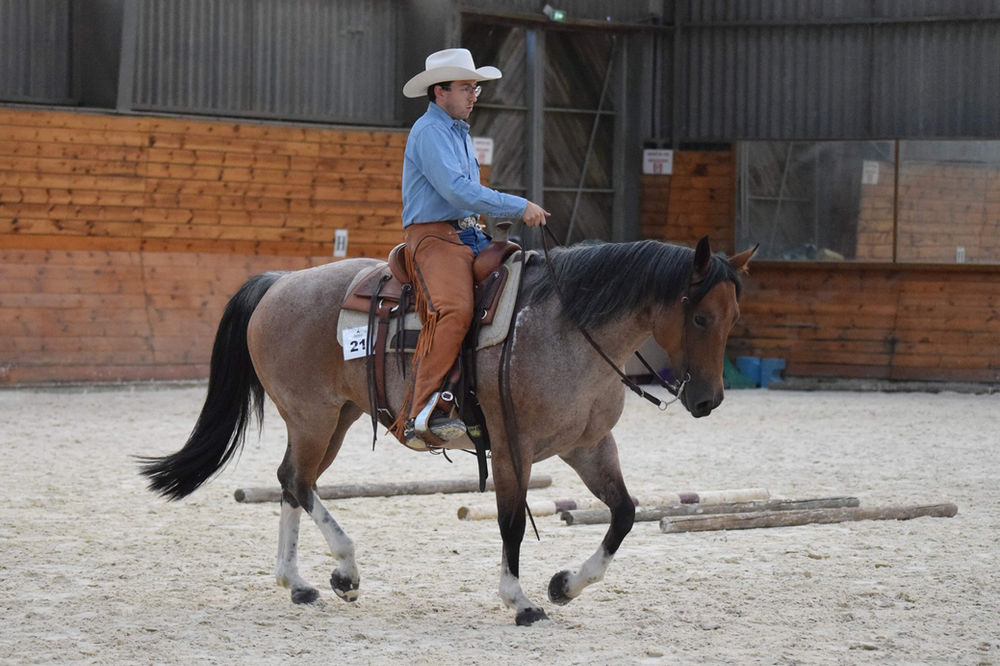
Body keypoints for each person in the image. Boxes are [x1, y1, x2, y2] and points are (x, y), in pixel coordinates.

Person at [395, 48, 548, 450]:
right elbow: (457, 190)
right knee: (456, 310)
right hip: (433, 237)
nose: (474, 94)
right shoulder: (429, 132)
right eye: (466, 87)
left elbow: (466, 197)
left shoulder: (459, 133)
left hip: (467, 234)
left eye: (475, 87)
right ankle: (420, 412)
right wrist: (519, 206)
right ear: (439, 91)